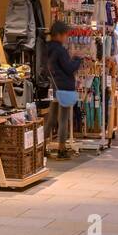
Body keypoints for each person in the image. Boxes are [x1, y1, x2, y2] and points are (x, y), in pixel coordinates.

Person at [43, 20, 82, 159]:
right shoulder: (60, 50)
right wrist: (77, 59)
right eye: (65, 35)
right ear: (59, 35)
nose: (66, 38)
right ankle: (61, 149)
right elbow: (69, 68)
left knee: (52, 119)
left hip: (54, 87)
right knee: (63, 119)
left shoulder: (47, 48)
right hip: (64, 87)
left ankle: (40, 147)